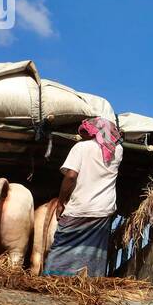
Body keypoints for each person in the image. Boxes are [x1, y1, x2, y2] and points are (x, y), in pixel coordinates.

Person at [44, 117, 122, 277]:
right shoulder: (118, 151)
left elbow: (71, 176)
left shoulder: (81, 147)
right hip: (102, 210)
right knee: (93, 252)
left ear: (93, 132)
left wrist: (61, 202)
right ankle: (89, 282)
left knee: (61, 247)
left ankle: (54, 278)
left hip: (80, 207)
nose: (84, 136)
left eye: (87, 132)